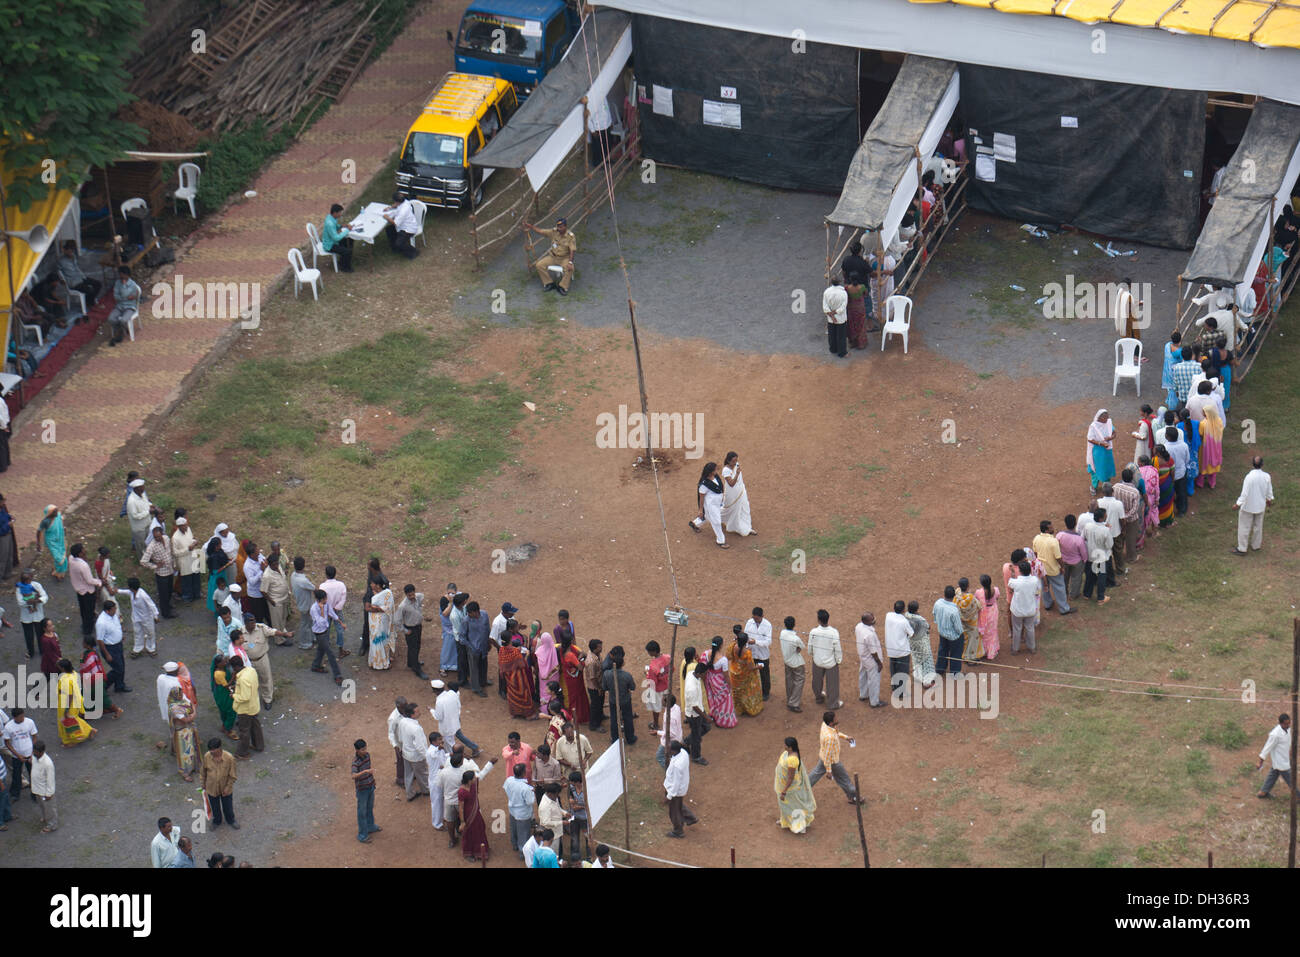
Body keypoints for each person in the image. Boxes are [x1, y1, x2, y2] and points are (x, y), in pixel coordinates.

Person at [808, 711, 864, 805]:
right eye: (835, 718)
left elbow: (836, 733)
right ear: (831, 722)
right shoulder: (830, 738)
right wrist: (829, 771)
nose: (837, 718)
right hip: (832, 761)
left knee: (815, 774)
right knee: (844, 779)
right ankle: (854, 797)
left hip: (823, 758)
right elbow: (828, 755)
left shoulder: (825, 725)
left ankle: (800, 790)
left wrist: (846, 737)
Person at [1233, 456, 1274, 555]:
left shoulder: (1249, 477)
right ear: (1262, 465)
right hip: (1260, 506)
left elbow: (1245, 493)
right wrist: (1269, 501)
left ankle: (1242, 548)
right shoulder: (1266, 476)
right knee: (1258, 526)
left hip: (1248, 507)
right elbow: (1269, 492)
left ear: (1252, 464)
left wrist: (1237, 504)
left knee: (1244, 527)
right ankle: (1256, 545)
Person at [775, 736, 817, 833]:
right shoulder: (788, 753)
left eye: (786, 745)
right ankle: (785, 821)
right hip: (783, 785)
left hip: (789, 789)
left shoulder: (792, 760)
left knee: (793, 806)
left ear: (790, 747)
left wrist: (784, 791)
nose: (784, 746)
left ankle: (799, 826)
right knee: (786, 806)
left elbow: (790, 777)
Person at [525, 217, 577, 294]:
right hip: (553, 257)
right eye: (558, 227)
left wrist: (570, 262)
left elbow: (572, 250)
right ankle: (549, 283)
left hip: (564, 258)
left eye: (561, 227)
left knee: (570, 269)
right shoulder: (554, 232)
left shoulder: (570, 236)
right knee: (539, 265)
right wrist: (531, 226)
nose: (559, 229)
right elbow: (541, 231)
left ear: (565, 226)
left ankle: (562, 287)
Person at [1031, 521, 1072, 617]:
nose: (1053, 528)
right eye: (1051, 528)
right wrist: (1062, 567)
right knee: (1059, 588)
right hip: (1053, 570)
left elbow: (1035, 553)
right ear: (1046, 530)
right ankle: (1064, 609)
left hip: (1041, 569)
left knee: (1045, 587)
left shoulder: (1036, 538)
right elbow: (1058, 558)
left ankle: (1048, 604)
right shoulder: (1053, 541)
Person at [807, 609, 844, 708]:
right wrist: (839, 660)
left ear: (818, 620)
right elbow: (837, 648)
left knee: (817, 681)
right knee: (832, 684)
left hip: (817, 661)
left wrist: (811, 654)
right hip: (831, 663)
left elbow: (810, 646)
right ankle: (832, 704)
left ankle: (818, 698)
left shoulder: (813, 631)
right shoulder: (834, 632)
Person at [432, 680, 481, 755]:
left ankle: (460, 755)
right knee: (459, 735)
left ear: (435, 690)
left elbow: (438, 717)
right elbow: (458, 706)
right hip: (455, 721)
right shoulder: (452, 694)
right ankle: (474, 747)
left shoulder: (439, 701)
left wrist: (431, 710)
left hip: (447, 727)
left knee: (450, 744)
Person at [117, 577, 160, 659]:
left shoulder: (143, 595)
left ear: (131, 588)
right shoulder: (132, 592)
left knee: (150, 633)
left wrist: (156, 616)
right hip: (136, 618)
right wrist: (117, 591)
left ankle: (151, 648)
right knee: (137, 633)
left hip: (146, 618)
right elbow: (125, 592)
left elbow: (152, 605)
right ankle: (137, 649)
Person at [56, 659, 96, 747]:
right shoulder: (73, 673)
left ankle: (74, 740)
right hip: (75, 701)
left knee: (68, 721)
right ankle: (89, 730)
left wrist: (67, 709)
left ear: (63, 668)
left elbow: (70, 695)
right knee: (73, 718)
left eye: (59, 666)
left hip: (68, 703)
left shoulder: (65, 680)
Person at [663, 741, 699, 838]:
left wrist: (669, 796)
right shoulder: (683, 753)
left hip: (676, 791)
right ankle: (690, 817)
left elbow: (676, 783)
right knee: (678, 805)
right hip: (681, 787)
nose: (667, 750)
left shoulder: (677, 766)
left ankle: (678, 831)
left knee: (674, 811)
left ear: (674, 751)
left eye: (669, 749)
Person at [602, 646, 637, 744]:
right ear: (622, 663)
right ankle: (630, 738)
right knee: (627, 718)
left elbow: (604, 687)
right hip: (625, 699)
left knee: (614, 719)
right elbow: (633, 687)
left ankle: (615, 739)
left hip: (613, 699)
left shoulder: (607, 674)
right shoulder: (627, 675)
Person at [201, 737, 239, 828]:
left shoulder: (229, 758)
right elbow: (203, 771)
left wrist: (227, 788)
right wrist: (203, 783)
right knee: (214, 806)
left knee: (228, 806)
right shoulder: (207, 756)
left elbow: (232, 776)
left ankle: (231, 820)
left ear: (220, 748)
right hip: (211, 787)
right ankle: (217, 821)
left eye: (214, 750)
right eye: (210, 750)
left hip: (225, 788)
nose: (212, 752)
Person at [689, 461, 728, 547]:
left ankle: (695, 524)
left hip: (718, 502)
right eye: (715, 469)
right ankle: (721, 541)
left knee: (708, 517)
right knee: (716, 522)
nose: (716, 470)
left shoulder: (716, 476)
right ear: (710, 472)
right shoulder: (704, 484)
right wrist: (700, 510)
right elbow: (701, 497)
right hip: (711, 505)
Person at [309, 589, 343, 686]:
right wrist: (323, 611)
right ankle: (337, 675)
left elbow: (332, 613)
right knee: (330, 654)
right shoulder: (314, 609)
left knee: (321, 649)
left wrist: (341, 622)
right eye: (325, 598)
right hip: (319, 633)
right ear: (320, 600)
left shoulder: (326, 605)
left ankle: (315, 666)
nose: (326, 600)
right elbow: (321, 623)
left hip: (325, 631)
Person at [231, 657, 263, 759]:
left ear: (235, 667)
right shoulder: (251, 670)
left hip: (245, 709)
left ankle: (241, 752)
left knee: (244, 731)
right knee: (255, 725)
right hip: (254, 705)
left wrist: (234, 696)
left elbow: (244, 697)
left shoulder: (242, 679)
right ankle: (258, 745)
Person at [701, 636, 737, 727]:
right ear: (721, 646)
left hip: (710, 680)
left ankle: (715, 716)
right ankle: (723, 721)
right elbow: (726, 675)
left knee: (714, 699)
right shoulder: (723, 660)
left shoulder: (706, 654)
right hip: (720, 682)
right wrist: (730, 686)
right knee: (724, 700)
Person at [96, 599, 130, 693]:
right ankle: (103, 686)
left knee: (121, 666)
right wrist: (107, 654)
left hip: (118, 645)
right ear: (107, 611)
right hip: (110, 648)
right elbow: (100, 640)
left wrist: (120, 635)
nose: (115, 610)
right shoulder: (101, 623)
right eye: (114, 609)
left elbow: (117, 626)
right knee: (118, 669)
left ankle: (119, 686)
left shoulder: (113, 615)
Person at [396, 584, 430, 680]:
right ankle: (417, 669)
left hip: (418, 626)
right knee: (413, 648)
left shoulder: (418, 597)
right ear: (406, 595)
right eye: (409, 595)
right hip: (410, 629)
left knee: (417, 645)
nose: (412, 597)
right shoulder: (403, 606)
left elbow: (422, 596)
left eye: (413, 594)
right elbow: (397, 621)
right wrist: (405, 631)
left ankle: (411, 663)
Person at [398, 702, 430, 801]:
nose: (419, 712)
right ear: (412, 714)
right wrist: (427, 757)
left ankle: (410, 794)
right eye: (417, 711)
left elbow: (400, 737)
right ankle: (426, 790)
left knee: (408, 774)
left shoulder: (402, 722)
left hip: (406, 753)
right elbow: (420, 746)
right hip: (416, 756)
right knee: (422, 774)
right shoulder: (416, 729)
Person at [3, 708, 36, 802]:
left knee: (33, 774)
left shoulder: (29, 722)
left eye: (23, 715)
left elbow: (34, 736)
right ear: (14, 717)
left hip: (30, 753)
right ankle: (15, 794)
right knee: (16, 775)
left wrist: (33, 751)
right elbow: (7, 743)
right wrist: (17, 755)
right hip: (17, 756)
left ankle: (35, 794)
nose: (22, 718)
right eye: (20, 717)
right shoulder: (9, 727)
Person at [1081, 509, 1113, 605]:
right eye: (1105, 515)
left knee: (1090, 575)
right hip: (1101, 557)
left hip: (1090, 554)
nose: (1106, 516)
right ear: (1101, 518)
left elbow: (1083, 538)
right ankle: (1101, 598)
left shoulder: (1088, 526)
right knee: (1101, 577)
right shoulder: (1106, 530)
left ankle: (1087, 594)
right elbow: (1109, 545)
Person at [167, 685, 199, 781]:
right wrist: (194, 713)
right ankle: (185, 772)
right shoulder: (174, 708)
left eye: (182, 694)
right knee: (184, 753)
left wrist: (192, 709)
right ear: (175, 696)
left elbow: (191, 705)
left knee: (192, 749)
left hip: (188, 730)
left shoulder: (182, 702)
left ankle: (193, 767)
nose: (182, 696)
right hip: (181, 733)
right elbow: (186, 719)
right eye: (180, 695)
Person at [728, 629, 764, 716]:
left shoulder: (733, 646)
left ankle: (740, 709)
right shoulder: (747, 653)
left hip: (734, 673)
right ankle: (750, 709)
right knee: (748, 692)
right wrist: (758, 667)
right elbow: (751, 667)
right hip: (745, 675)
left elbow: (728, 656)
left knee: (738, 692)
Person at [351, 739, 381, 844]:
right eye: (362, 749)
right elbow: (353, 776)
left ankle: (370, 826)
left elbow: (369, 769)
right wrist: (364, 772)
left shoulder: (367, 756)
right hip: (362, 790)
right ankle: (362, 835)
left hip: (370, 786)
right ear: (357, 750)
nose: (365, 751)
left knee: (369, 807)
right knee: (361, 812)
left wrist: (373, 780)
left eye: (365, 748)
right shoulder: (355, 763)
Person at [1256, 714, 1292, 798]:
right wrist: (1260, 762)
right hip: (1281, 762)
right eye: (1286, 724)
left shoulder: (1287, 729)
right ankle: (1298, 796)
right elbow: (1266, 748)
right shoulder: (1275, 734)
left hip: (1284, 759)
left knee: (1273, 775)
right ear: (1280, 723)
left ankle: (1262, 793)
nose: (1288, 725)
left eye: (1289, 723)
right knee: (1291, 779)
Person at [57, 239, 102, 306]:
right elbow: (58, 272)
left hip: (80, 277)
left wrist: (83, 276)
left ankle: (89, 301)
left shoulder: (73, 257)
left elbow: (76, 268)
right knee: (89, 289)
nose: (71, 252)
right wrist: (62, 280)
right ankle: (90, 303)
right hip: (73, 282)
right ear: (64, 250)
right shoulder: (61, 261)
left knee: (98, 284)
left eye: (72, 250)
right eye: (69, 250)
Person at [721, 452, 756, 537]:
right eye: (733, 461)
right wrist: (737, 474)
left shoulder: (737, 464)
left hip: (741, 491)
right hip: (732, 495)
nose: (736, 462)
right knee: (731, 510)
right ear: (728, 461)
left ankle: (747, 528)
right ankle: (715, 517)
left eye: (736, 460)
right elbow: (731, 484)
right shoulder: (726, 470)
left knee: (745, 508)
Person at [931, 586, 965, 675]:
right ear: (954, 596)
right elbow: (958, 628)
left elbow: (934, 614)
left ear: (944, 594)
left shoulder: (938, 603)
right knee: (956, 654)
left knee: (942, 650)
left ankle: (940, 669)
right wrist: (961, 634)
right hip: (954, 637)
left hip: (942, 632)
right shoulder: (954, 611)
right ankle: (955, 672)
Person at [904, 601, 937, 688]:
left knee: (916, 658)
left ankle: (918, 676)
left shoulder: (906, 616)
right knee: (926, 660)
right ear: (916, 610)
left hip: (912, 641)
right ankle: (927, 681)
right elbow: (928, 626)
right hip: (922, 642)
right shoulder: (920, 619)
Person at [15, 570, 48, 659]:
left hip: (38, 615)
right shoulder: (19, 588)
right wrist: (35, 601)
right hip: (26, 617)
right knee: (28, 636)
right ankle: (31, 651)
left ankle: (42, 650)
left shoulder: (37, 585)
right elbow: (20, 602)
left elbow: (44, 596)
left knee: (40, 634)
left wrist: (35, 601)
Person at [503, 763, 535, 856]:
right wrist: (532, 792)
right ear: (523, 773)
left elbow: (506, 789)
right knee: (524, 833)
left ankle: (514, 844)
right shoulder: (525, 788)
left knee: (514, 829)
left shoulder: (509, 780)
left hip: (512, 810)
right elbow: (530, 802)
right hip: (523, 814)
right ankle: (522, 852)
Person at [458, 769, 489, 862]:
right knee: (469, 833)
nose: (475, 778)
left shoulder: (473, 785)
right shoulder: (462, 791)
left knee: (480, 829)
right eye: (473, 778)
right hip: (468, 815)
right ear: (469, 780)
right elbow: (461, 807)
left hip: (476, 813)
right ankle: (469, 853)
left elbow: (481, 774)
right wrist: (462, 822)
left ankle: (481, 851)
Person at [884, 601, 914, 695]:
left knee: (893, 668)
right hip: (902, 651)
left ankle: (894, 686)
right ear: (903, 610)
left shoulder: (888, 615)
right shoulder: (904, 621)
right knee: (903, 671)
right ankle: (901, 692)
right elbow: (911, 634)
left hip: (891, 649)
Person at [365, 579, 395, 670]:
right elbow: (367, 608)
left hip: (384, 622)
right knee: (376, 640)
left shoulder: (387, 593)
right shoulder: (370, 594)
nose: (371, 584)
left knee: (383, 639)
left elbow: (389, 607)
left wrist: (377, 608)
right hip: (375, 623)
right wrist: (380, 609)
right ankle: (378, 663)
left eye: (372, 583)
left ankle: (384, 660)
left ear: (378, 585)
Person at [559, 633, 589, 725]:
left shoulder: (562, 649)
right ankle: (578, 717)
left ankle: (577, 716)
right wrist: (582, 660)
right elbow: (580, 667)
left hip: (570, 677)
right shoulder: (570, 654)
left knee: (573, 697)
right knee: (578, 697)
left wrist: (581, 657)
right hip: (575, 679)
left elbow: (582, 653)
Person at [743, 606, 772, 700]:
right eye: (754, 618)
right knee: (751, 674)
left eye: (757, 619)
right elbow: (746, 636)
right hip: (752, 654)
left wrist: (756, 642)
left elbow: (768, 642)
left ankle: (766, 693)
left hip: (763, 656)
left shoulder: (767, 625)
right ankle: (753, 692)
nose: (755, 621)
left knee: (764, 675)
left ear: (762, 616)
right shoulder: (749, 622)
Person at [107, 266, 141, 346]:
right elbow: (116, 296)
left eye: (123, 275)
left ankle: (121, 331)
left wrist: (124, 291)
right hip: (119, 306)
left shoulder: (132, 285)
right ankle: (121, 329)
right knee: (111, 319)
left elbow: (132, 295)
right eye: (120, 275)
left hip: (130, 307)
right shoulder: (117, 283)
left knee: (123, 320)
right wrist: (125, 297)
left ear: (128, 275)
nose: (122, 277)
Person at [170, 516, 201, 603]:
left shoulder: (189, 529)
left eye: (186, 525)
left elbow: (191, 538)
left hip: (193, 557)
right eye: (183, 526)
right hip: (184, 561)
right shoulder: (175, 538)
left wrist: (194, 541)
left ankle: (197, 594)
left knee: (196, 577)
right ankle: (188, 597)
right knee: (187, 580)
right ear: (179, 527)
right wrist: (187, 549)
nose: (186, 527)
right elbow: (175, 553)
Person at [855, 612, 883, 706]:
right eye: (872, 619)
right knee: (874, 680)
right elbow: (873, 652)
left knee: (863, 675)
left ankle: (863, 695)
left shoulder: (859, 626)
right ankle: (874, 702)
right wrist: (879, 663)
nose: (874, 620)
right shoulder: (869, 635)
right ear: (866, 621)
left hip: (862, 655)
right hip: (871, 659)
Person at [779, 615, 806, 712]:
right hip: (796, 663)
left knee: (789, 680)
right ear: (794, 625)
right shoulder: (795, 638)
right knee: (799, 681)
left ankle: (790, 699)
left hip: (787, 661)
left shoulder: (782, 633)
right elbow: (801, 647)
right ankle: (793, 703)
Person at [1163, 426, 1191, 517]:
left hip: (1170, 475)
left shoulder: (1166, 447)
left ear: (1168, 437)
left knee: (1170, 492)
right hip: (1181, 472)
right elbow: (1187, 459)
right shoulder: (1184, 445)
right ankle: (1182, 509)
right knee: (1182, 492)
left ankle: (1170, 509)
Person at [319, 565, 348, 656]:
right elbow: (343, 599)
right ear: (335, 574)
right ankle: (341, 650)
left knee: (326, 630)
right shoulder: (341, 585)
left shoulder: (322, 586)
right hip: (337, 611)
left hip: (326, 611)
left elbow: (321, 600)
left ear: (326, 574)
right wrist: (336, 608)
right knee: (339, 629)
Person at [382, 191, 420, 259]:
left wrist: (387, 217)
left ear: (397, 201)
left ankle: (414, 252)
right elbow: (395, 205)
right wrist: (390, 207)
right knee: (389, 230)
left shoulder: (403, 211)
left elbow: (395, 223)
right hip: (404, 225)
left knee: (399, 243)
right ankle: (395, 249)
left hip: (408, 229)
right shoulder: (405, 201)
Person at [643, 640, 670, 731]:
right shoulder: (668, 657)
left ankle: (655, 725)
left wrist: (647, 673)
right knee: (666, 704)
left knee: (656, 707)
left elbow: (652, 682)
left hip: (657, 690)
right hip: (666, 686)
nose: (648, 653)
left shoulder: (653, 666)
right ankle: (668, 722)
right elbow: (672, 669)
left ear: (653, 651)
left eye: (649, 651)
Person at [1086, 410, 1116, 492]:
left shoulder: (1109, 423)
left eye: (1107, 417)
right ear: (1100, 418)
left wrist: (1110, 438)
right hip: (1097, 452)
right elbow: (1090, 439)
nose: (1107, 419)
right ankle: (1094, 486)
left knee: (1106, 466)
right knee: (1096, 468)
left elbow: (1114, 433)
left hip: (1107, 450)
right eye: (1105, 418)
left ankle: (1106, 485)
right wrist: (1100, 443)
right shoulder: (1093, 426)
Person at [464, 600, 490, 695]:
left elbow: (487, 629)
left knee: (484, 664)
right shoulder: (466, 620)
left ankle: (483, 681)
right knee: (474, 669)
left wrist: (488, 642)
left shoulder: (485, 615)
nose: (468, 614)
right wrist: (470, 647)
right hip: (473, 649)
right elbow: (462, 636)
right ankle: (476, 688)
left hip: (483, 646)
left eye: (470, 613)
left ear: (476, 611)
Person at [290, 557, 317, 650]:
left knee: (309, 622)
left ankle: (311, 638)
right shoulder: (303, 581)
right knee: (305, 624)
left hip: (301, 602)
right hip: (306, 605)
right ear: (303, 566)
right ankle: (304, 643)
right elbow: (313, 587)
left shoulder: (293, 575)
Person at [36, 505, 68, 582]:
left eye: (56, 511)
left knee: (61, 555)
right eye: (54, 512)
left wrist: (64, 529)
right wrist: (38, 543)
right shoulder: (45, 521)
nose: (56, 512)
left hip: (60, 539)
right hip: (52, 541)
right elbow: (39, 531)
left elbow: (61, 523)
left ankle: (58, 571)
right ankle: (58, 573)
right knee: (58, 557)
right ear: (50, 513)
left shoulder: (58, 516)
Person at [955, 579, 983, 663]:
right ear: (968, 586)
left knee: (965, 639)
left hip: (961, 622)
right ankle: (971, 658)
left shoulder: (957, 595)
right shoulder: (971, 598)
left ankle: (963, 655)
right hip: (971, 623)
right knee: (973, 640)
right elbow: (978, 606)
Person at [974, 575, 1000, 661]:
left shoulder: (978, 592)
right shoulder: (995, 590)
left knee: (983, 632)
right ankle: (991, 651)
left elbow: (976, 601)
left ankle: (983, 651)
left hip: (983, 614)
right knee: (992, 632)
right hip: (993, 612)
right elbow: (997, 597)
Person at [322, 204, 355, 272]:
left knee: (350, 240)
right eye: (340, 212)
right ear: (335, 213)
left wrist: (342, 226)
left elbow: (336, 226)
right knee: (347, 251)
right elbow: (336, 238)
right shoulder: (329, 223)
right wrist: (347, 230)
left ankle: (344, 260)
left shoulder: (331, 217)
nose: (340, 214)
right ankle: (345, 268)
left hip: (332, 241)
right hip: (330, 245)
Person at [822, 274, 849, 358]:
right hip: (840, 318)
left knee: (831, 334)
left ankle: (833, 349)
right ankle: (842, 352)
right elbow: (843, 307)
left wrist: (831, 316)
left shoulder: (826, 292)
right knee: (841, 336)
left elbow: (825, 306)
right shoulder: (843, 293)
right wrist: (835, 313)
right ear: (839, 282)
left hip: (830, 318)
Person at [584, 637, 605, 731]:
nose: (601, 648)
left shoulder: (596, 655)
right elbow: (593, 678)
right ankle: (594, 725)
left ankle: (601, 716)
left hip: (599, 684)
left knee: (600, 703)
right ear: (595, 649)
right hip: (594, 687)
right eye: (599, 647)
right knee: (595, 705)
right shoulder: (591, 662)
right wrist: (599, 688)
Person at [437, 584, 459, 676]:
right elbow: (445, 614)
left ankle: (455, 665)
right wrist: (450, 603)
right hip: (448, 629)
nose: (451, 595)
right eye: (449, 593)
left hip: (456, 626)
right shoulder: (444, 600)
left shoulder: (458, 597)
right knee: (447, 647)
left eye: (453, 593)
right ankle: (444, 666)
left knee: (456, 648)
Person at [0, 496, 18, 581]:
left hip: (8, 534)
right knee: (2, 557)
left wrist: (10, 517)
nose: (4, 503)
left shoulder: (2, 509)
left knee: (9, 554)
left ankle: (8, 573)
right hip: (2, 537)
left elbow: (6, 515)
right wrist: (8, 525)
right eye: (2, 501)